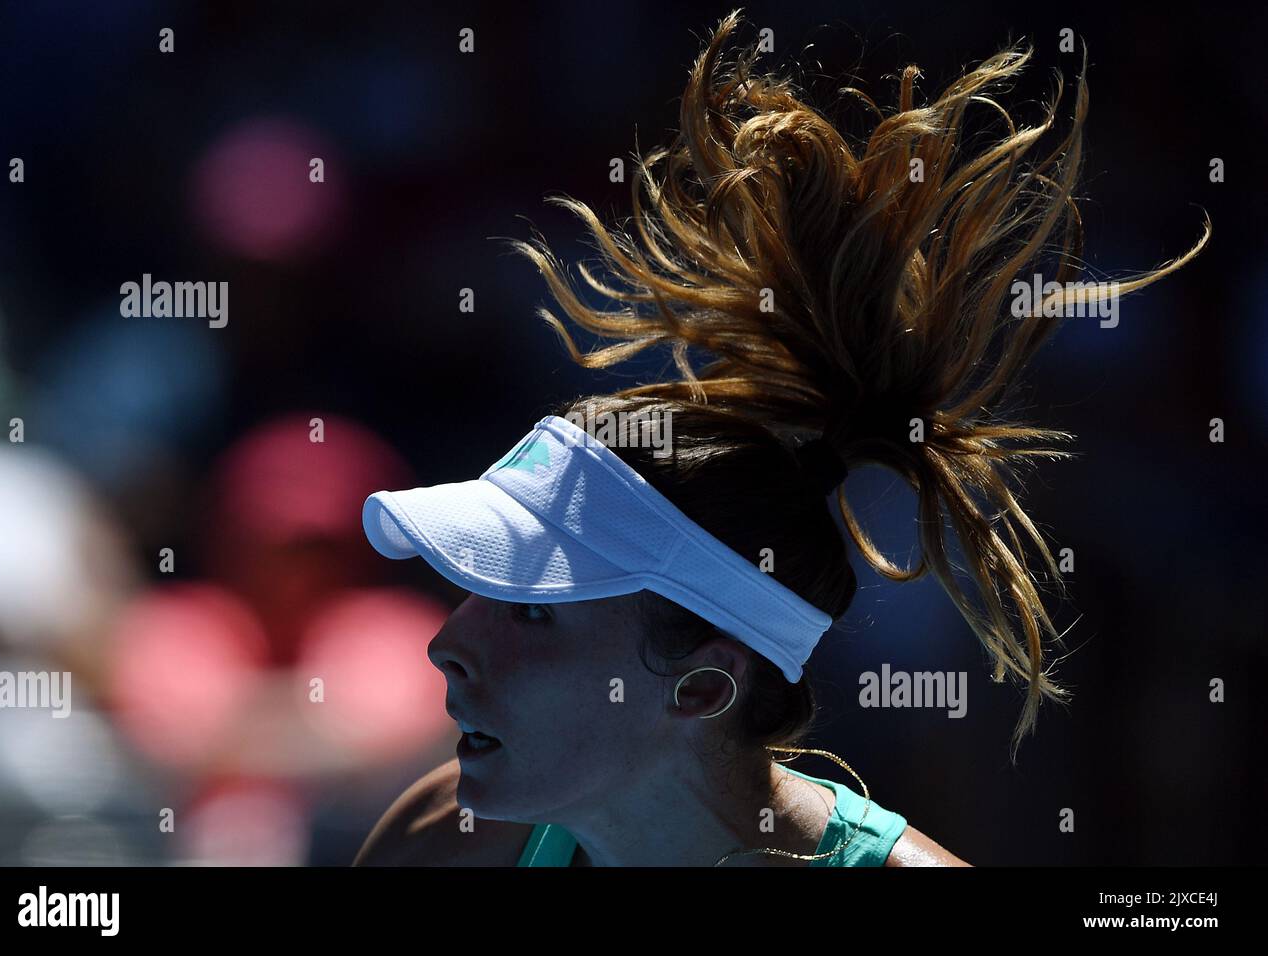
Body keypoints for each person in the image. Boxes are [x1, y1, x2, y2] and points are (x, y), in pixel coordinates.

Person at [354, 10, 1207, 867]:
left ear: (701, 687)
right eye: (479, 591)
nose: (446, 643)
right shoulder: (439, 843)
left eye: (530, 609)